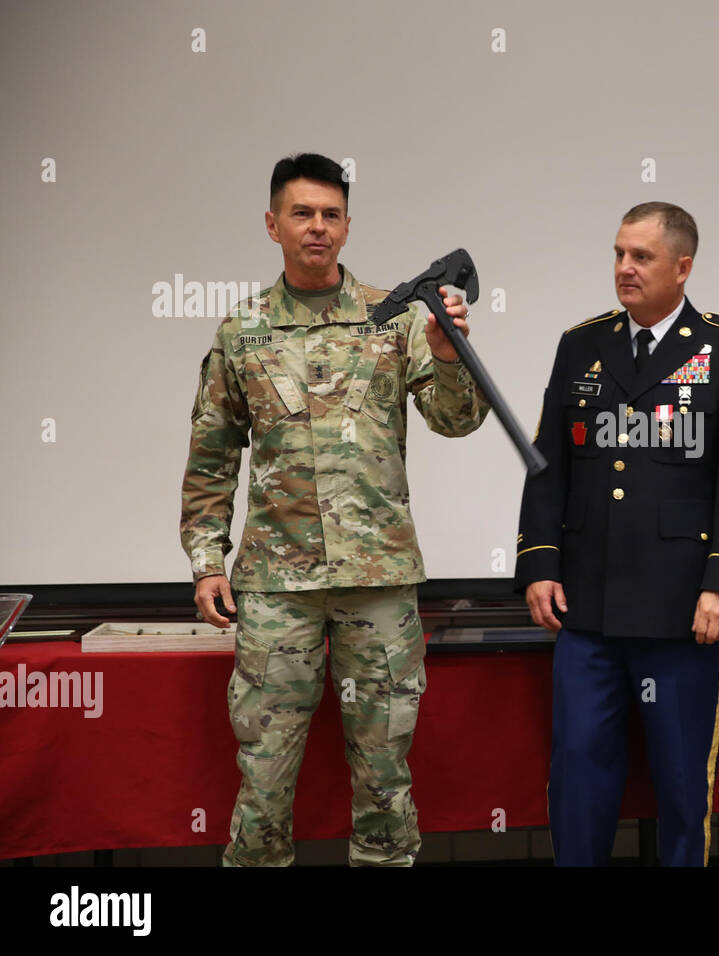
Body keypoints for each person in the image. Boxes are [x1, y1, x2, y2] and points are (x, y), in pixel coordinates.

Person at [180, 153, 489, 866]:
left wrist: (448, 352)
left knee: (385, 775)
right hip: (275, 589)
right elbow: (211, 456)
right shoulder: (242, 332)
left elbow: (455, 420)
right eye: (301, 213)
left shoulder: (398, 321)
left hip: (377, 582)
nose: (316, 227)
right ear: (272, 224)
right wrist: (205, 562)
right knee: (264, 772)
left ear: (347, 226)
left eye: (329, 215)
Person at [515, 202, 719, 866]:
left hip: (684, 612)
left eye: (641, 257)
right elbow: (548, 465)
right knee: (578, 774)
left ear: (683, 267)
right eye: (618, 254)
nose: (624, 269)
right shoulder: (581, 343)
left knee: (683, 784)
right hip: (588, 608)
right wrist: (540, 562)